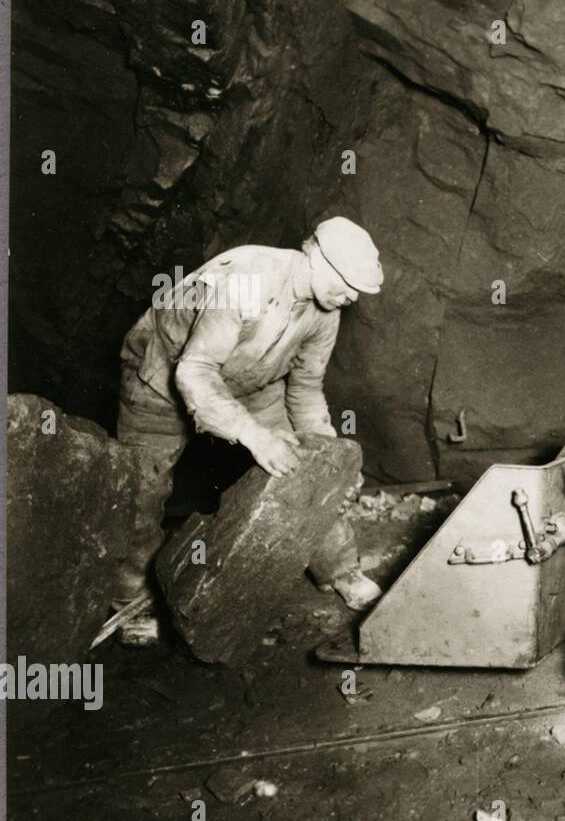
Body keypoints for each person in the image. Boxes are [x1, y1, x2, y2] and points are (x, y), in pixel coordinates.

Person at [112, 216, 385, 645]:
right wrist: (256, 437)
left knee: (302, 464)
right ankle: (131, 594)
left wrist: (331, 458)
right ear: (315, 254)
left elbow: (306, 389)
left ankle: (340, 568)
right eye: (348, 283)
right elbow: (196, 371)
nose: (352, 297)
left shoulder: (325, 309)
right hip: (161, 378)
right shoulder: (245, 279)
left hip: (254, 382)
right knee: (141, 490)